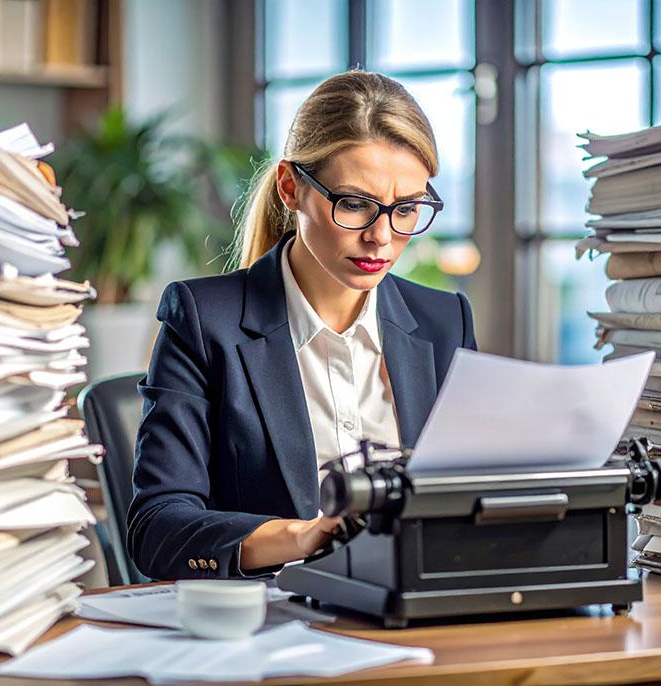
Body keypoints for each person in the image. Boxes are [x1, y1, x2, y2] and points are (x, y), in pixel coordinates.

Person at [128, 70, 478, 581]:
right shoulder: (205, 322)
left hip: (420, 614)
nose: (382, 236)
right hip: (274, 626)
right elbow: (156, 528)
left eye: (406, 209)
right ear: (291, 188)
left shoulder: (445, 322)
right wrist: (304, 536)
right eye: (354, 204)